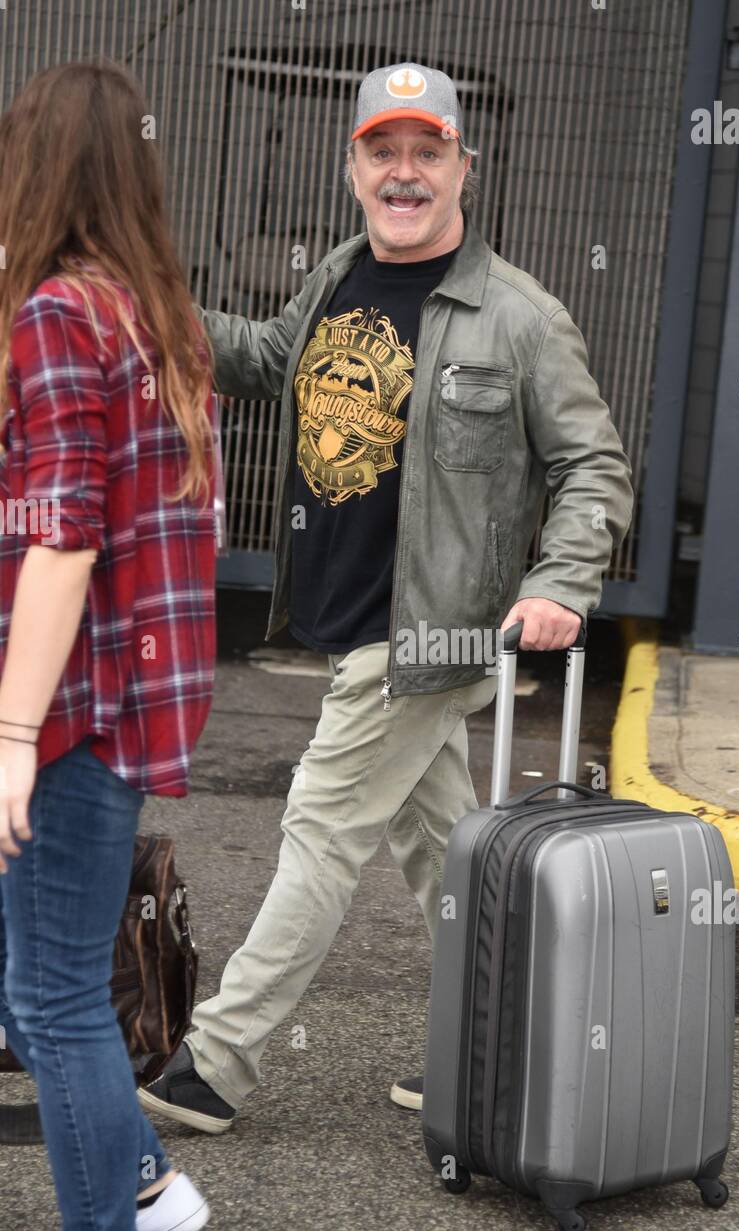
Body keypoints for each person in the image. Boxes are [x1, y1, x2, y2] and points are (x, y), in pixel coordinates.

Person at [140, 61, 633, 1133]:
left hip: (428, 631)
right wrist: (151, 309)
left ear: (464, 163)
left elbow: (593, 466)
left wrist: (559, 583)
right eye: (382, 150)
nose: (403, 172)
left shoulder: (518, 318)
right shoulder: (341, 272)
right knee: (440, 849)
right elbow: (271, 358)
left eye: (426, 151)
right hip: (346, 613)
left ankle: (214, 1067)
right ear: (353, 164)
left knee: (320, 828)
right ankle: (503, 1048)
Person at [0, 59, 217, 1231]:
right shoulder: (158, 314)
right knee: (35, 977)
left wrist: (14, 730)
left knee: (59, 996)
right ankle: (141, 1181)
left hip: (70, 716)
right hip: (129, 707)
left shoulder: (56, 315)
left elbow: (64, 534)